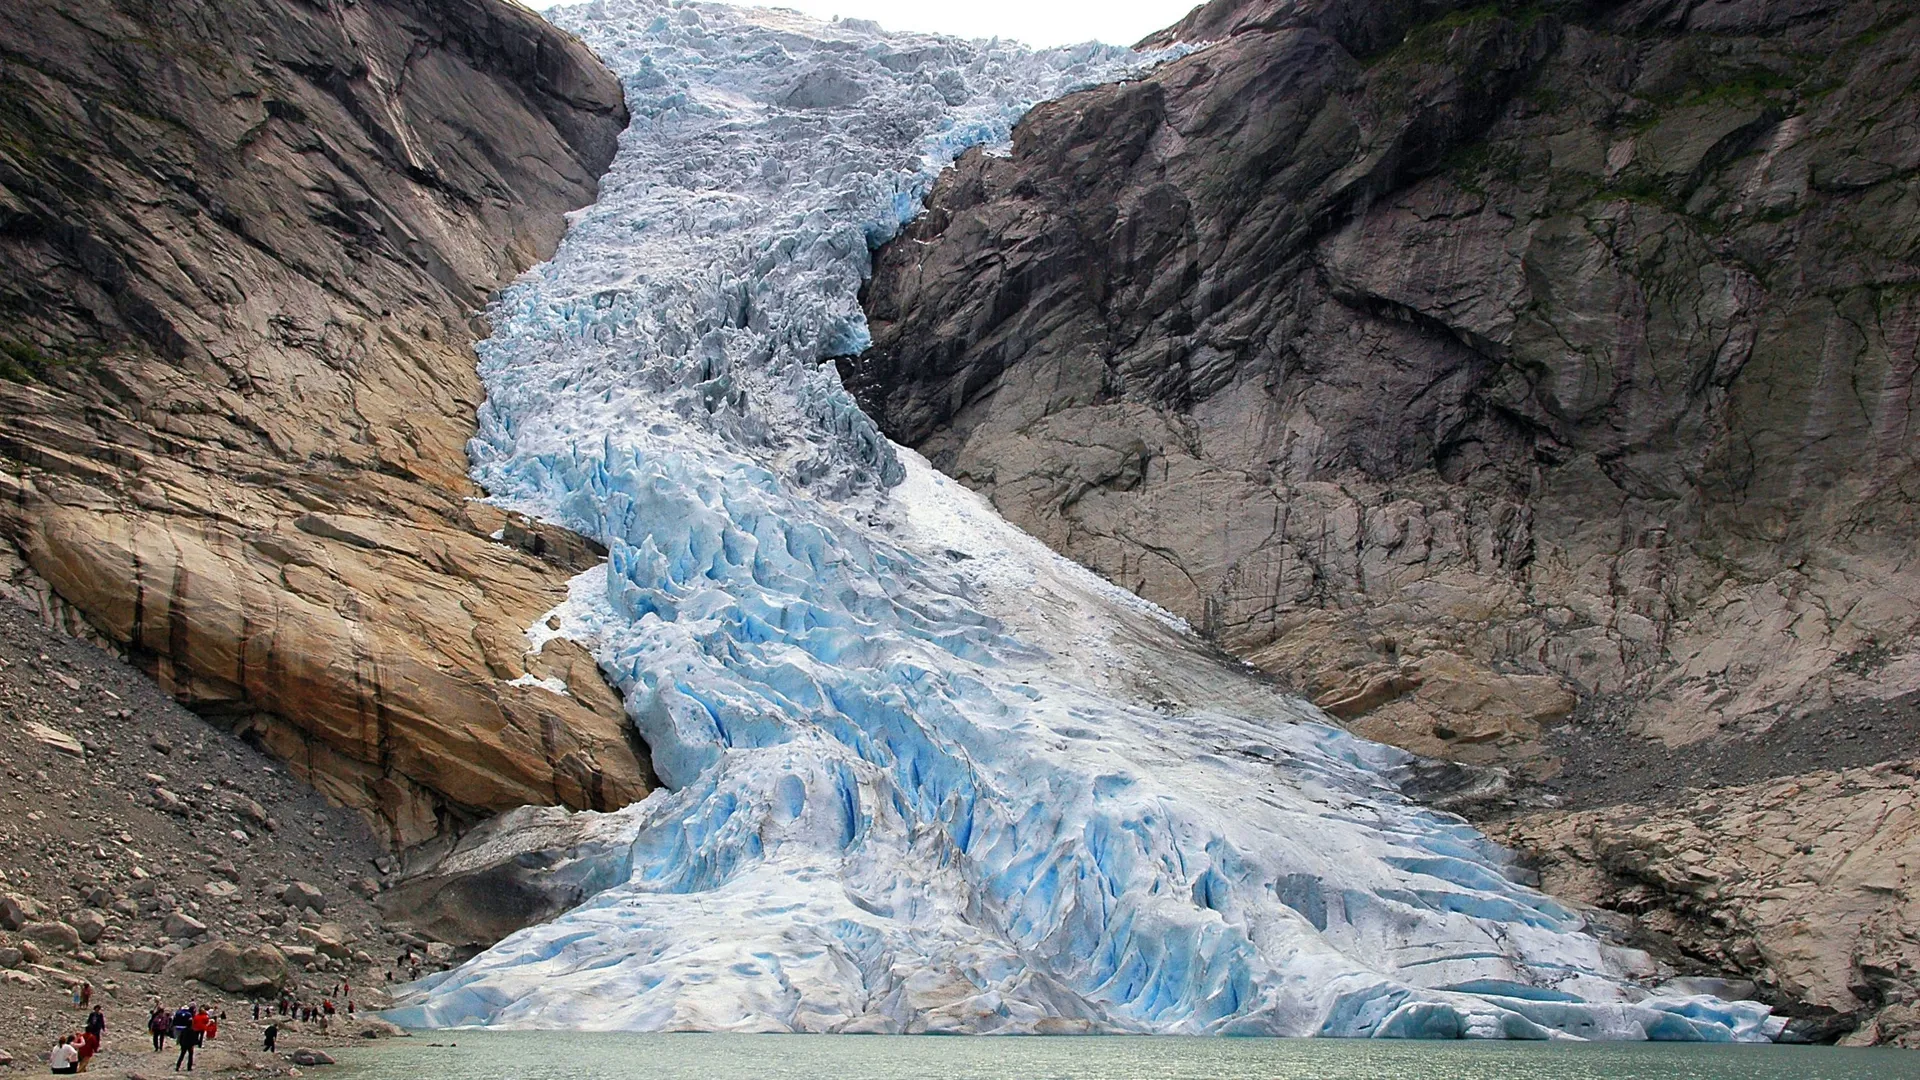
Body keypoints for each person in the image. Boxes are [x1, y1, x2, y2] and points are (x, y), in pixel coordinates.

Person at [172, 1004, 199, 1072]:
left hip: (184, 1044)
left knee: (181, 1055)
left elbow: (181, 1037)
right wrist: (194, 1044)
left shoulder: (184, 1030)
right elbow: (194, 1038)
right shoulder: (193, 1030)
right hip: (190, 1045)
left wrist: (180, 1043)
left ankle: (177, 1066)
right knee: (190, 1056)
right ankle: (189, 1067)